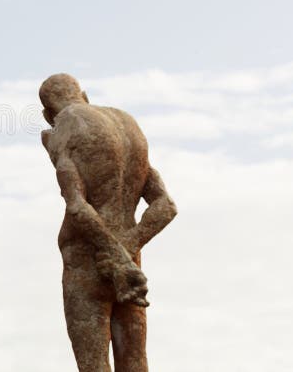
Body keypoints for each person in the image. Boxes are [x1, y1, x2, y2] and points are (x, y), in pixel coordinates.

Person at [39, 73, 177, 372]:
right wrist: (127, 251)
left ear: (47, 114)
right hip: (131, 263)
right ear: (85, 96)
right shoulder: (127, 124)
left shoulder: (64, 127)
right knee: (135, 361)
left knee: (94, 366)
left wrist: (114, 256)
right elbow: (165, 206)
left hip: (87, 260)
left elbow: (77, 207)